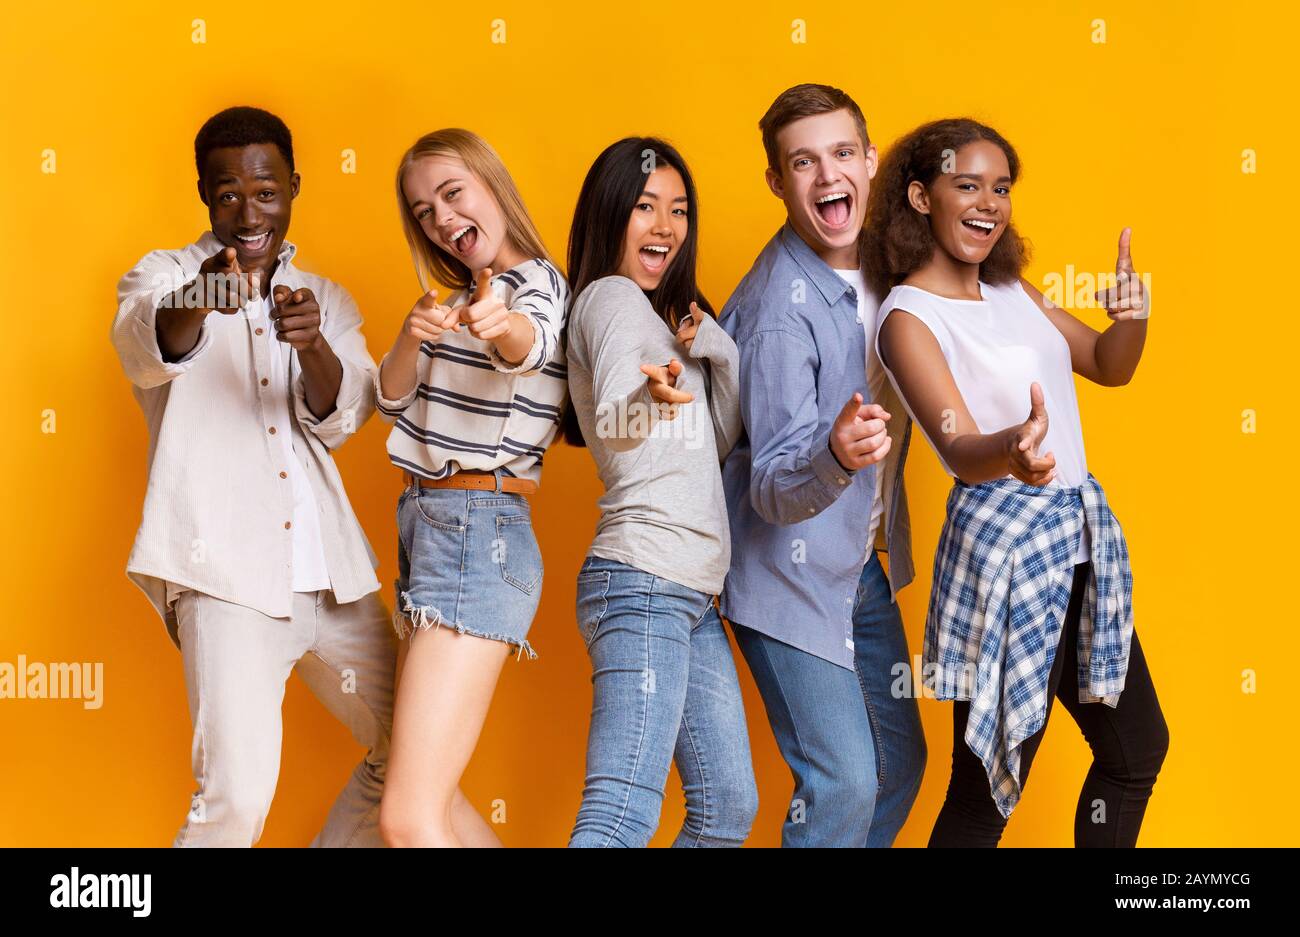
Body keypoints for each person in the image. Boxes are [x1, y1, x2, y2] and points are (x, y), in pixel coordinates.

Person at [866, 116, 1169, 847]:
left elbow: (1107, 362)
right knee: (983, 793)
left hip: (1077, 544)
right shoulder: (906, 317)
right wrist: (1013, 449)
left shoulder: (1013, 291)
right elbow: (960, 444)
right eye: (966, 184)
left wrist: (1132, 318)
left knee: (1136, 749)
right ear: (919, 195)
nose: (988, 202)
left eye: (1000, 187)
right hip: (1001, 561)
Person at [111, 106, 393, 847]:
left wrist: (315, 349)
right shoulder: (168, 274)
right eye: (227, 192)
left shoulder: (325, 299)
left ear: (293, 186)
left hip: (333, 578)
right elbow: (145, 345)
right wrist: (204, 295)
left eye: (265, 191)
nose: (248, 211)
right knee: (234, 803)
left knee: (413, 752)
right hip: (225, 579)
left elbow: (346, 413)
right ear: (204, 193)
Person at [719, 84, 925, 846]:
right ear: (777, 182)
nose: (826, 175)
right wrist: (837, 454)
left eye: (841, 153)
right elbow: (771, 486)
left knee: (898, 766)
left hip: (856, 567)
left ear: (870, 161)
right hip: (786, 577)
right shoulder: (779, 311)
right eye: (801, 162)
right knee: (841, 785)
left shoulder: (889, 261)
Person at [562, 137, 758, 847]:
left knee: (726, 809)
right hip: (644, 581)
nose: (665, 226)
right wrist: (651, 393)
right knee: (620, 812)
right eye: (645, 207)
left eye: (678, 210)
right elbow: (615, 420)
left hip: (689, 593)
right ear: (611, 213)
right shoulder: (612, 299)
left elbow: (719, 441)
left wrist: (718, 352)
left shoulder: (662, 319)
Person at [374, 129, 568, 848]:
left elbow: (532, 344)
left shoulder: (536, 286)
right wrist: (409, 336)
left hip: (476, 531)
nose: (441, 218)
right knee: (435, 798)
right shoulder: (453, 302)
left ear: (493, 185)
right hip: (430, 528)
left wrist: (501, 325)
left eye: (453, 193)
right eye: (424, 212)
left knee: (406, 817)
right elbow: (389, 406)